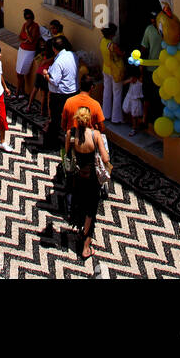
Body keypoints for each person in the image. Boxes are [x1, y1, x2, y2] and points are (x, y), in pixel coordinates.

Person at [65, 107, 112, 262]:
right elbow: (105, 158)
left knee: (80, 204)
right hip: (92, 179)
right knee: (91, 211)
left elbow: (67, 153)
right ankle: (85, 247)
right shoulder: (95, 135)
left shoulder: (71, 134)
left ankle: (80, 230)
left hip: (78, 176)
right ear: (89, 120)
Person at [43, 36, 78, 150]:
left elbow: (55, 81)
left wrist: (46, 74)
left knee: (56, 119)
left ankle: (52, 144)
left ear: (54, 48)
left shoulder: (58, 62)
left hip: (60, 95)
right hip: (73, 92)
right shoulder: (73, 55)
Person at [61, 71, 105, 137]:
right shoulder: (96, 105)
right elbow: (101, 127)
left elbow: (63, 125)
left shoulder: (69, 101)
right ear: (92, 87)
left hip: (72, 138)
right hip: (89, 140)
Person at [140, 11, 164, 130]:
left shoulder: (165, 29)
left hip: (163, 69)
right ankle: (145, 119)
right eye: (152, 19)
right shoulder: (149, 30)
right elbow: (144, 47)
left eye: (155, 18)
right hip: (150, 68)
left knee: (158, 95)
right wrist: (140, 62)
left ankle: (157, 118)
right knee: (148, 95)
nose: (153, 20)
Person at [99, 24, 126, 124]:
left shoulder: (102, 41)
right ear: (112, 34)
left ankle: (106, 114)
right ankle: (116, 118)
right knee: (117, 93)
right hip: (115, 71)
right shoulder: (112, 45)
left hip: (106, 68)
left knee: (107, 92)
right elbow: (121, 54)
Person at [15, 8, 40, 99]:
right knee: (18, 72)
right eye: (26, 17)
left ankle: (17, 92)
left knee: (22, 72)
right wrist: (24, 40)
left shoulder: (35, 26)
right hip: (22, 50)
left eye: (29, 17)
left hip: (29, 51)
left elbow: (31, 40)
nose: (28, 19)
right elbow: (19, 38)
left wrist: (27, 31)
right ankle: (22, 91)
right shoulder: (24, 24)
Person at [28, 39, 54, 118]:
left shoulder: (45, 52)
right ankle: (42, 111)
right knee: (44, 94)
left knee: (35, 89)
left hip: (39, 72)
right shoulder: (54, 56)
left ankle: (29, 106)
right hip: (44, 74)